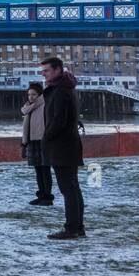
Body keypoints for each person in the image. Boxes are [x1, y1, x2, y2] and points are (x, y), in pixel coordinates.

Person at [39, 56, 85, 239]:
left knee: (69, 189)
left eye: (47, 71)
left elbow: (58, 121)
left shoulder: (60, 91)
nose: (43, 74)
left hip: (62, 146)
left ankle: (72, 228)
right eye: (42, 71)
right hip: (68, 145)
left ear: (58, 70)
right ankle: (77, 227)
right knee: (72, 188)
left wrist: (45, 138)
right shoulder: (66, 89)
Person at [19, 81, 53, 206]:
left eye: (33, 94)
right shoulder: (28, 108)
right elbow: (26, 127)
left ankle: (48, 197)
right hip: (32, 142)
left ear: (39, 95)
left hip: (43, 141)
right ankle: (41, 195)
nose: (31, 97)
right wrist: (24, 143)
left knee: (45, 170)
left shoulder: (45, 105)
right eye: (29, 95)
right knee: (38, 170)